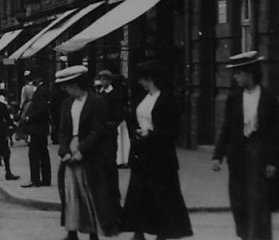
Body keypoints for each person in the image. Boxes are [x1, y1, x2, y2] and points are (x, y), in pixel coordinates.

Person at [212, 51, 279, 240]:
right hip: (238, 156)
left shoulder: (268, 99)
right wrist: (217, 156)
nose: (235, 78)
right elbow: (226, 129)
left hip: (259, 156)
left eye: (238, 73)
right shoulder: (234, 99)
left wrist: (272, 162)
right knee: (239, 201)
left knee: (258, 202)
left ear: (250, 73)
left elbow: (275, 134)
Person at [120, 61, 192, 240]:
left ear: (150, 78)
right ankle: (139, 231)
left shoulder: (167, 101)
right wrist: (137, 132)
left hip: (160, 156)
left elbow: (172, 130)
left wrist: (150, 133)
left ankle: (162, 233)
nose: (140, 83)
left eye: (142, 79)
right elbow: (133, 118)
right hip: (142, 154)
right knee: (139, 195)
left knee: (161, 197)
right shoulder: (143, 98)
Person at [56, 65, 119, 240]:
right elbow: (62, 130)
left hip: (91, 152)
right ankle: (72, 231)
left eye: (67, 86)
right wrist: (64, 151)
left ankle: (93, 232)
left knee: (90, 192)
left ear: (76, 84)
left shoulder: (97, 101)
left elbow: (97, 130)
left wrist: (81, 150)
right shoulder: (67, 103)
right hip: (71, 147)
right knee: (70, 192)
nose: (66, 90)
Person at [96, 69, 125, 202]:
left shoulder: (115, 94)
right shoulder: (99, 93)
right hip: (100, 133)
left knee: (110, 163)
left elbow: (119, 114)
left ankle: (114, 192)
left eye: (106, 79)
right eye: (102, 79)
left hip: (109, 132)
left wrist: (110, 124)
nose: (103, 81)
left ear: (110, 80)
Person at [21, 72, 52, 188]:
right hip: (41, 128)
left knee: (34, 154)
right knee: (43, 153)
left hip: (37, 128)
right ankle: (45, 179)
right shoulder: (44, 89)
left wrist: (30, 117)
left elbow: (41, 109)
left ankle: (35, 179)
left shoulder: (41, 91)